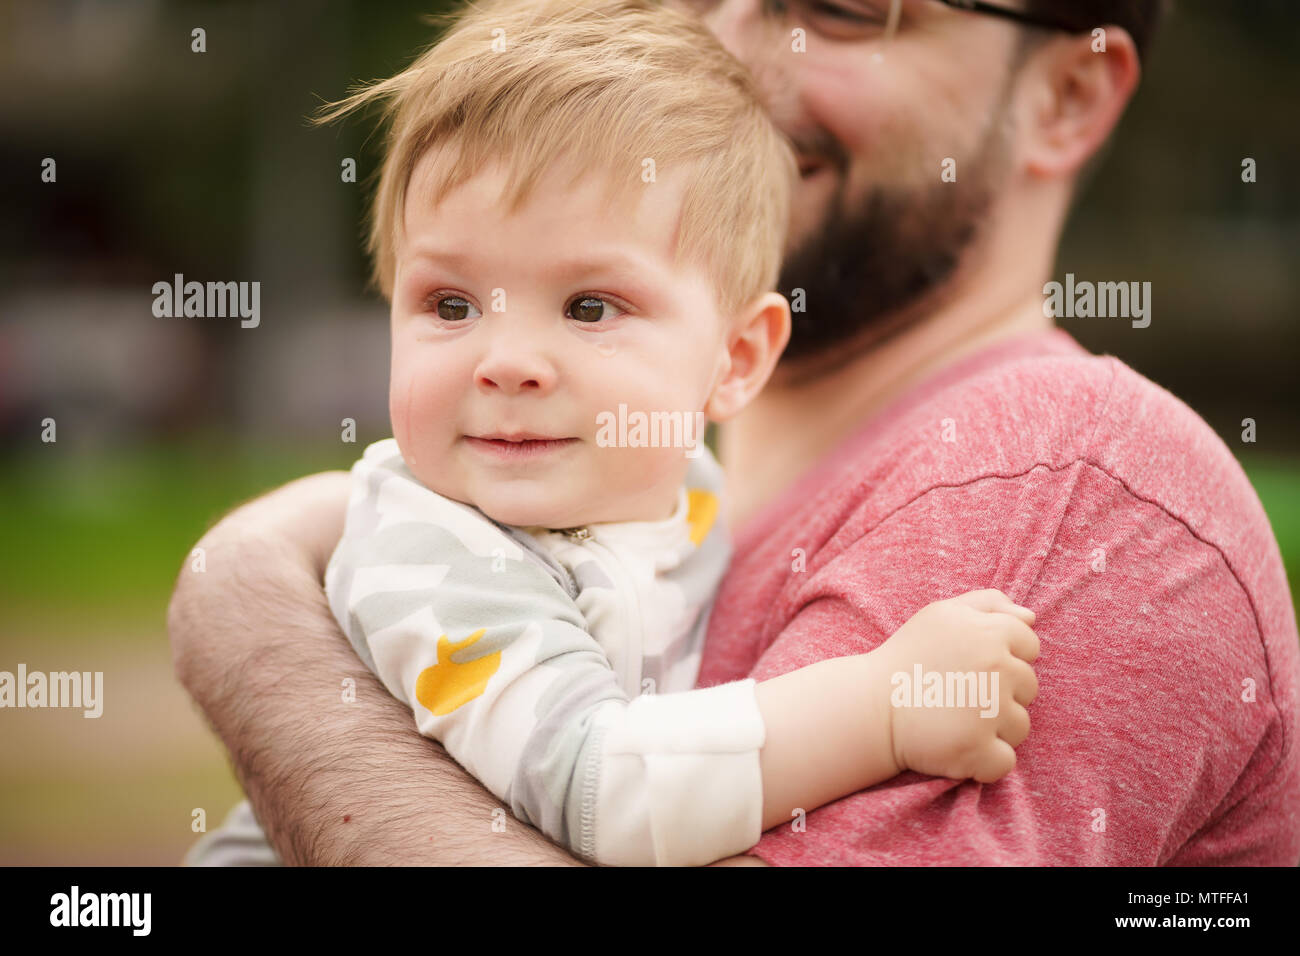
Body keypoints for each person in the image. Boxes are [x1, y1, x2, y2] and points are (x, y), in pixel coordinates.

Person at [169, 0, 1300, 866]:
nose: (730, 44)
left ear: (1067, 92)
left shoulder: (1072, 488)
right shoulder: (639, 481)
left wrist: (248, 618)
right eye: (450, 304)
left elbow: (605, 782)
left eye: (842, 5)